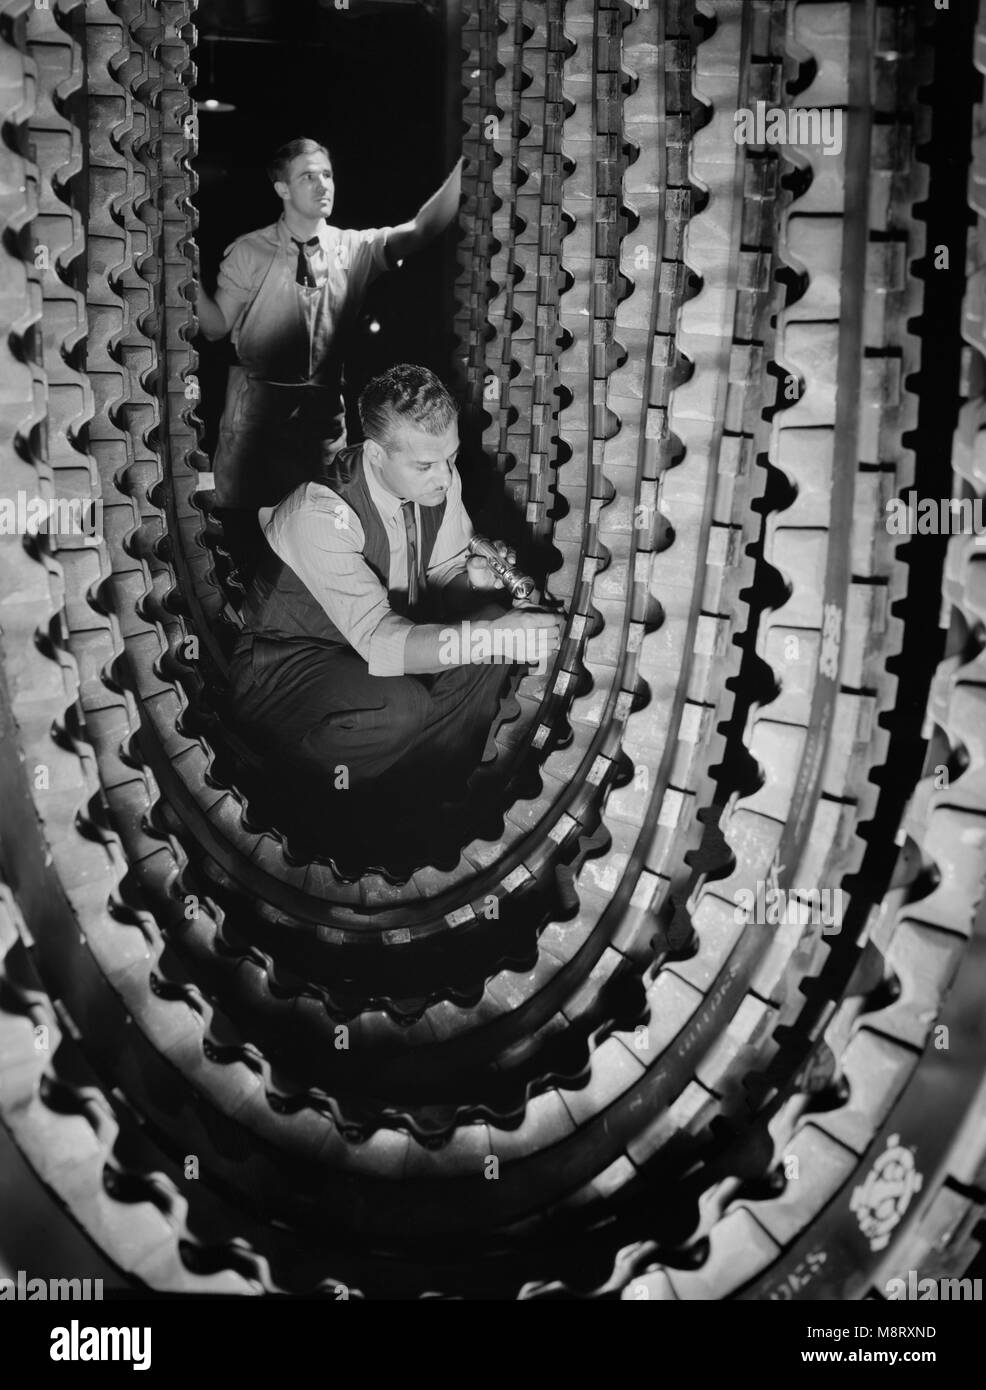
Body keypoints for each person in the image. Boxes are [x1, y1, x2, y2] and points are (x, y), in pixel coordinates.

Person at [228, 364, 564, 876]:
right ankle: (304, 812)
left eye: (451, 458)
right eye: (427, 465)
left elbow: (440, 572)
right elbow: (383, 644)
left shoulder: (436, 483)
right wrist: (492, 635)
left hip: (360, 659)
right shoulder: (318, 513)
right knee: (401, 700)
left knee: (488, 634)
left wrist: (473, 578)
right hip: (283, 668)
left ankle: (417, 792)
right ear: (377, 453)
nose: (445, 476)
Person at [197, 138, 462, 575]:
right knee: (248, 536)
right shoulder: (250, 251)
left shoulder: (351, 249)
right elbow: (215, 326)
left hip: (321, 419)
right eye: (308, 176)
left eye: (327, 174)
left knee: (321, 529)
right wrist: (185, 281)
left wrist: (465, 166)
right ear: (282, 189)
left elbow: (419, 230)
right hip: (257, 417)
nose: (323, 184)